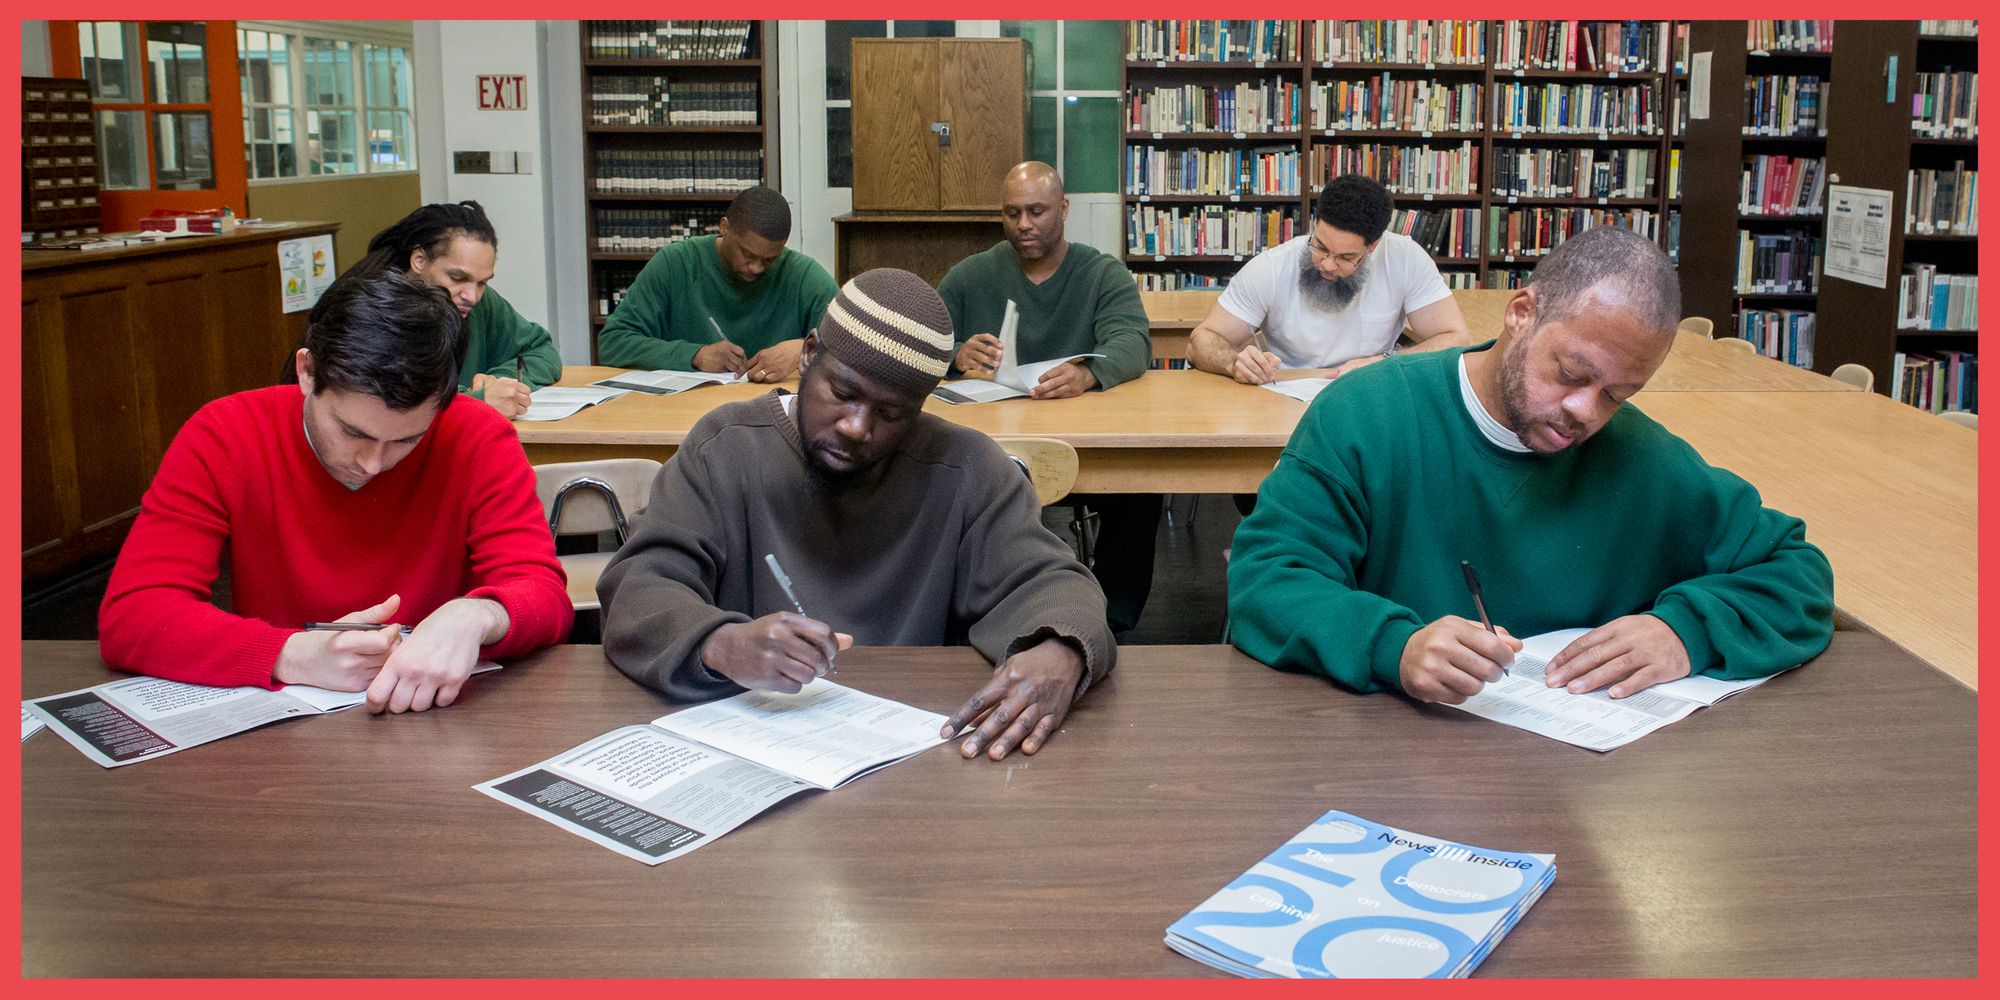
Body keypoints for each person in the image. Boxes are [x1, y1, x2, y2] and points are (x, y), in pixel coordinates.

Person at [1227, 226, 1833, 705]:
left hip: (1578, 780)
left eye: (1619, 394)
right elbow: (1266, 582)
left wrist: (1686, 633)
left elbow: (1797, 573)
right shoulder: (1366, 415)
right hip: (1387, 763)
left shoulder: (1641, 456)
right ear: (1521, 313)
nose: (1584, 411)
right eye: (1571, 373)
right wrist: (1394, 644)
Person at [598, 268, 1115, 761]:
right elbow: (640, 586)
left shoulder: (967, 468)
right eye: (842, 393)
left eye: (892, 414)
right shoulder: (725, 449)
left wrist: (1061, 650)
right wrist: (721, 642)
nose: (856, 426)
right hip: (749, 743)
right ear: (808, 354)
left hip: (915, 745)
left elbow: (1054, 583)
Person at [99, 270, 574, 713]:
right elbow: (135, 615)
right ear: (308, 371)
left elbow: (544, 595)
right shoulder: (225, 434)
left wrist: (480, 615)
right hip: (281, 722)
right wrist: (291, 654)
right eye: (351, 432)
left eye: (406, 439)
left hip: (437, 715)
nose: (372, 463)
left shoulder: (476, 435)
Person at [937, 161, 1160, 636]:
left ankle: (1112, 615)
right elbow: (921, 341)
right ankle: (972, 610)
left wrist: (1089, 372)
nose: (1024, 225)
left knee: (1141, 482)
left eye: (1037, 211)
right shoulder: (969, 275)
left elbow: (1133, 343)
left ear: (1063, 209)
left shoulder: (1102, 274)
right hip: (991, 443)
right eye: (1012, 212)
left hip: (1085, 438)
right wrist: (957, 354)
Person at [1188, 174, 1470, 384]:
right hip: (1285, 395)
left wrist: (1384, 364)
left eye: (1346, 257)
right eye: (1320, 246)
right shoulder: (1273, 267)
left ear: (1373, 246)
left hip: (1371, 392)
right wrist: (1234, 362)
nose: (1327, 264)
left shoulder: (1405, 258)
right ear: (1314, 224)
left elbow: (1455, 339)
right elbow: (1200, 342)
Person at [596, 185, 839, 383]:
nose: (756, 267)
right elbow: (613, 342)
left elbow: (857, 349)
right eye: (747, 254)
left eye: (769, 260)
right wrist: (694, 356)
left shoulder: (804, 276)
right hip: (684, 416)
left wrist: (803, 350)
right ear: (724, 228)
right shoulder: (676, 264)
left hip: (774, 419)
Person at [358, 200, 563, 420]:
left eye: (482, 282)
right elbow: (384, 411)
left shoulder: (480, 303)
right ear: (419, 261)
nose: (472, 296)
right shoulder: (372, 313)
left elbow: (542, 351)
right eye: (458, 278)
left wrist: (501, 380)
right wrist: (478, 401)